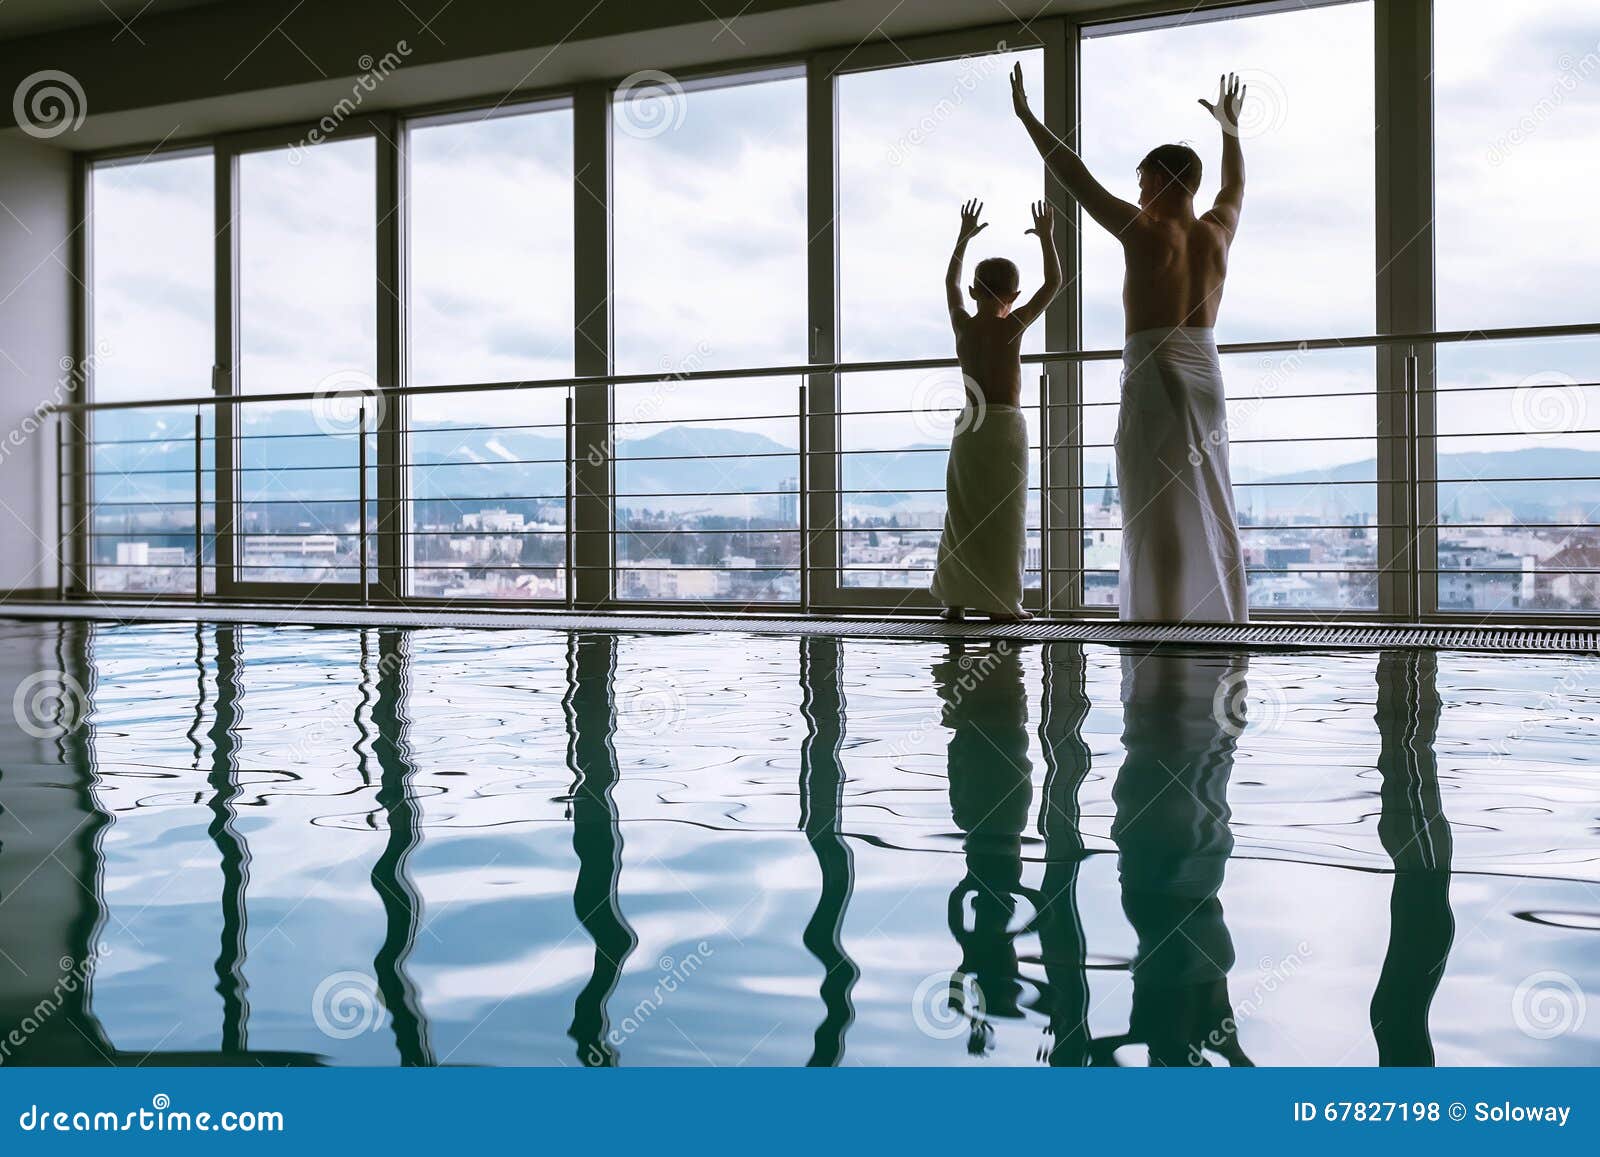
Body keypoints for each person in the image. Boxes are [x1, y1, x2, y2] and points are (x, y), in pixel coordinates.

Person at [1011, 66, 1249, 623]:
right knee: (1211, 498)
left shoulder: (1143, 232)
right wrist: (1230, 131)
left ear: (1164, 181)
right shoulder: (1217, 231)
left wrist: (1027, 118)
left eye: (1143, 182)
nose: (1139, 193)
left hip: (1156, 376)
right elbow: (1235, 185)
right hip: (1206, 377)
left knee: (1155, 510)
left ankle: (1160, 626)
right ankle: (1219, 620)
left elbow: (1076, 177)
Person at [929, 197, 1061, 622]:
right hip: (1004, 428)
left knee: (962, 512)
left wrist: (962, 238)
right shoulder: (1013, 325)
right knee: (1005, 515)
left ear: (973, 291)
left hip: (969, 427)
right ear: (1014, 295)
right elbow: (1054, 283)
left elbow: (949, 283)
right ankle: (1003, 603)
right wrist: (1047, 238)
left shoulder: (963, 325)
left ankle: (954, 601)